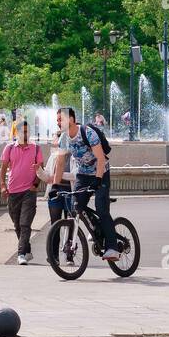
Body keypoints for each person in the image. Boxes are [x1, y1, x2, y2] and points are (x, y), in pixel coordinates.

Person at [55, 106, 119, 260]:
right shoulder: (63, 138)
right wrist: (55, 186)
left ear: (71, 119)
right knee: (76, 206)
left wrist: (98, 179)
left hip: (101, 172)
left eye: (60, 119)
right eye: (57, 120)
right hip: (83, 174)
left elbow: (101, 158)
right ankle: (96, 230)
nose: (58, 123)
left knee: (101, 208)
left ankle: (113, 247)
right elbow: (60, 162)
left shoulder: (87, 132)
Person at [0, 120, 44, 264]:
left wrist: (35, 184)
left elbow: (40, 169)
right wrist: (2, 185)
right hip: (13, 191)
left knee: (25, 223)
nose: (26, 134)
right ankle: (27, 249)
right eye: (23, 131)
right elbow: (3, 168)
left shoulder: (36, 148)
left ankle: (20, 254)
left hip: (29, 192)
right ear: (16, 133)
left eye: (27, 131)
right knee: (17, 224)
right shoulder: (9, 148)